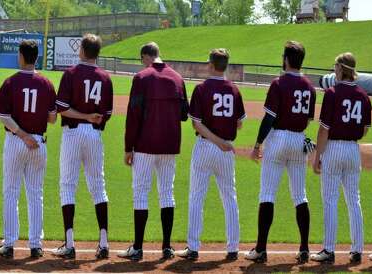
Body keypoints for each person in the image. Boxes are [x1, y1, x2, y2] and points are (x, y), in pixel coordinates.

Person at [247, 41, 317, 263]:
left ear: (286, 59)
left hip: (278, 139)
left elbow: (269, 118)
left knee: (267, 193)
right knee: (300, 195)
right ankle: (304, 248)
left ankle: (260, 249)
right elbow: (307, 120)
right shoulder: (310, 87)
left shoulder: (278, 83)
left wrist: (258, 144)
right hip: (299, 140)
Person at [119, 42, 187, 261]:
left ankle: (137, 248)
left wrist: (128, 147)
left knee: (141, 192)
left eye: (141, 59)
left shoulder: (141, 78)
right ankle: (167, 247)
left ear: (146, 57)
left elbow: (133, 116)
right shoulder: (178, 78)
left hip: (145, 145)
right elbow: (184, 114)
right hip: (169, 145)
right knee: (167, 192)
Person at [49, 34, 113, 260]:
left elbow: (62, 109)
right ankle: (104, 244)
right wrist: (91, 117)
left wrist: (84, 115)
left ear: (83, 51)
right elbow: (106, 114)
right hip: (95, 135)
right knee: (98, 186)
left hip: (73, 133)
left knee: (68, 185)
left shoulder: (71, 73)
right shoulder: (105, 77)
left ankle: (70, 244)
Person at [177, 49, 244, 261]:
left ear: (211, 65)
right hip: (226, 149)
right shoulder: (234, 90)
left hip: (206, 146)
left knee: (197, 197)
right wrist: (223, 140)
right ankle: (233, 247)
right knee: (229, 198)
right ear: (226, 65)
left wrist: (216, 141)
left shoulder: (201, 88)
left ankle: (193, 247)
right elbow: (240, 122)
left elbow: (196, 123)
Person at [0, 40, 57, 259]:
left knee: (11, 191)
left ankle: (9, 244)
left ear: (21, 56)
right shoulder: (47, 83)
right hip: (38, 143)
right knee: (35, 194)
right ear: (36, 57)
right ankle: (35, 245)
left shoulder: (11, 82)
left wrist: (21, 134)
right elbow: (52, 118)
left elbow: (1, 114)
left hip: (16, 141)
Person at [309, 53, 372, 263]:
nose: (333, 70)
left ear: (341, 68)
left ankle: (328, 249)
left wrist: (318, 155)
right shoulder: (363, 95)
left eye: (335, 66)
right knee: (354, 200)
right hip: (353, 150)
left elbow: (323, 130)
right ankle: (357, 249)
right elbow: (364, 130)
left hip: (334, 148)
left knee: (330, 201)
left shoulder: (332, 93)